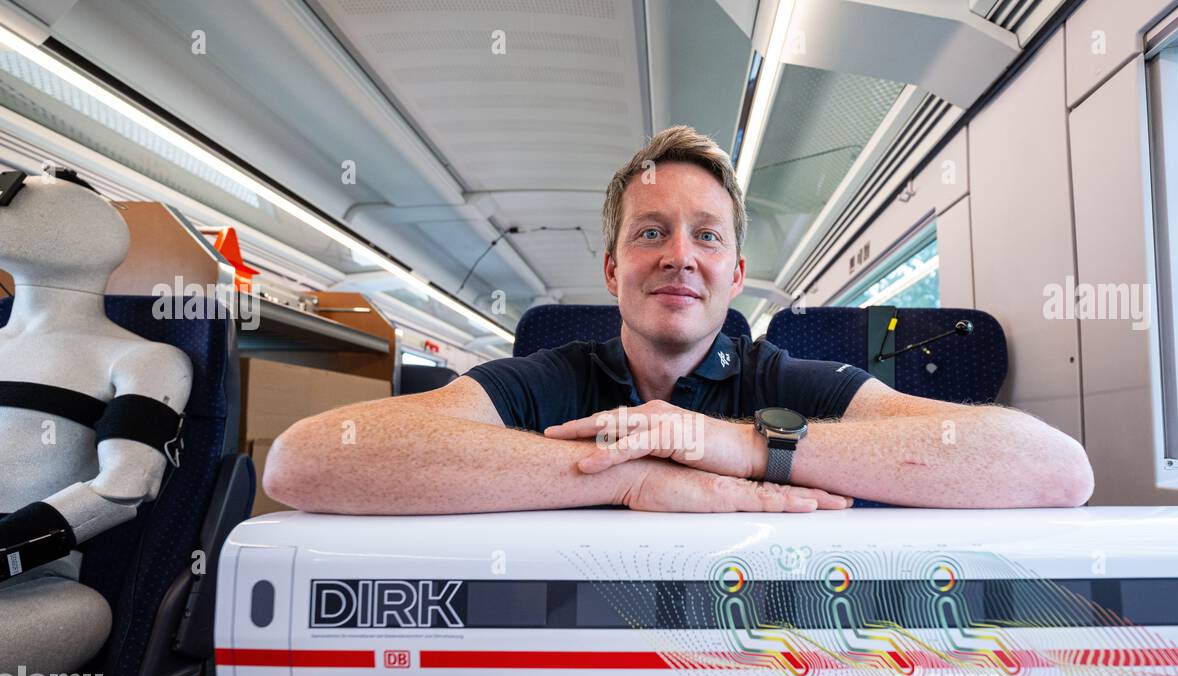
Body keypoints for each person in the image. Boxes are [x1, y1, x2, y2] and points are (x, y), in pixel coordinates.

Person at [263, 126, 1093, 514]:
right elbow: (305, 463)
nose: (678, 256)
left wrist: (737, 447)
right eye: (650, 233)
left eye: (706, 236)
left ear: (734, 275)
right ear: (612, 267)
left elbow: (1056, 472)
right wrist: (631, 477)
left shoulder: (789, 383)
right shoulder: (551, 380)